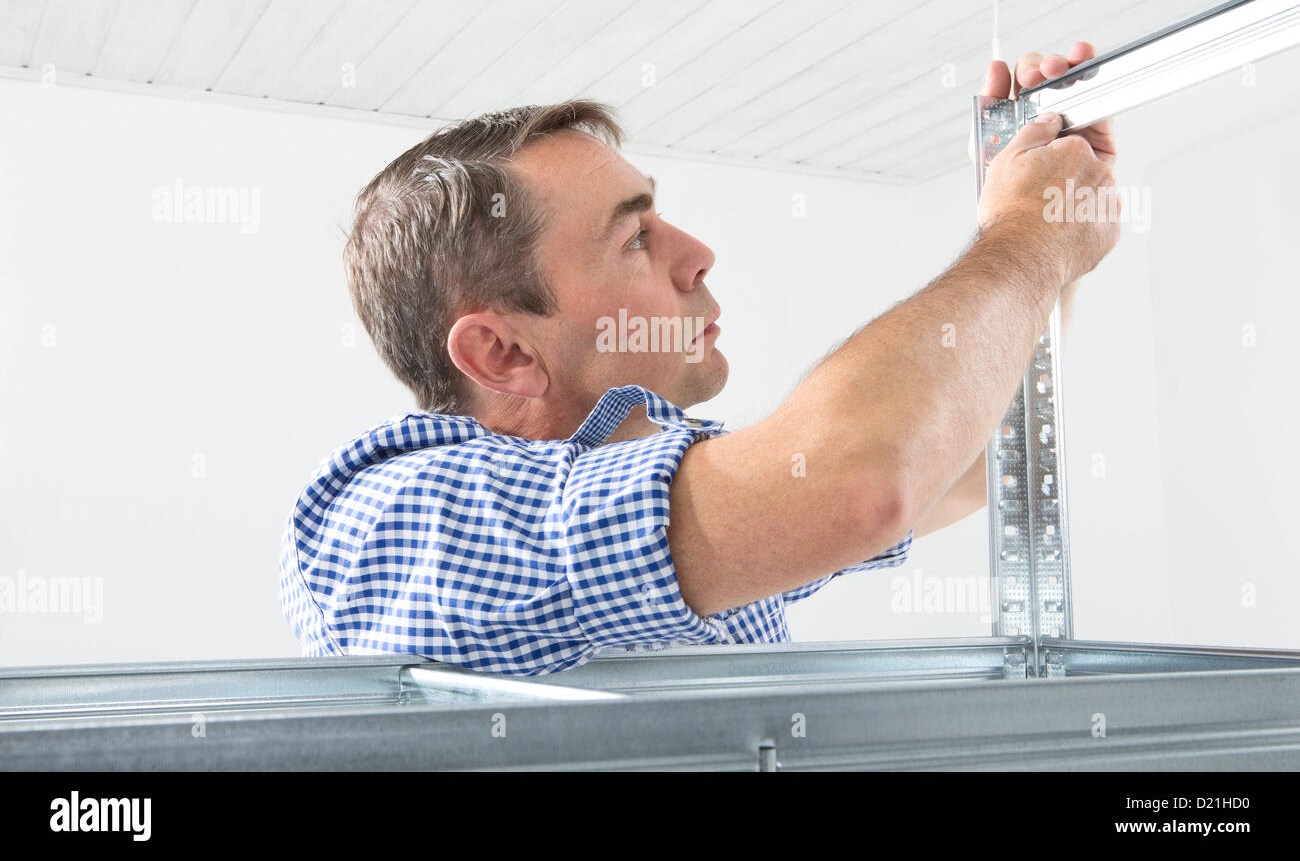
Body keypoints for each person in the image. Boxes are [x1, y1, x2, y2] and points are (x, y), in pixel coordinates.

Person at [279, 44, 1120, 676]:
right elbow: (864, 485)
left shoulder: (664, 498)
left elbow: (968, 468)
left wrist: (1050, 246)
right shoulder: (406, 515)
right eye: (634, 236)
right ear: (501, 351)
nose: (698, 254)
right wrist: (1022, 241)